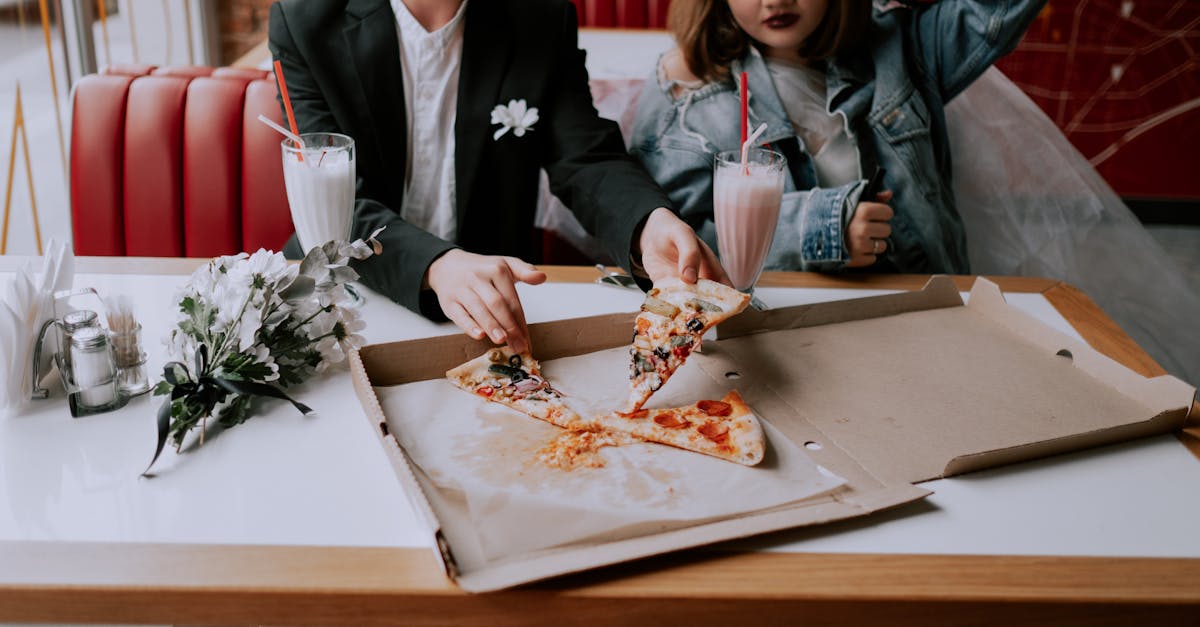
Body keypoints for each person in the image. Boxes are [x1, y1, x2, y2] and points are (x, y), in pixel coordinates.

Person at [269, 0, 727, 354]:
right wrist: (435, 264)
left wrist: (649, 225)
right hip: (344, 294)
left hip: (497, 304)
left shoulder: (539, 17)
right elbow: (332, 201)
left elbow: (585, 156)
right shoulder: (305, 18)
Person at [630, 0, 1047, 274]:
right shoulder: (688, 91)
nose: (775, 1)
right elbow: (671, 245)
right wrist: (819, 230)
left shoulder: (905, 48)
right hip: (781, 335)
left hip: (924, 313)